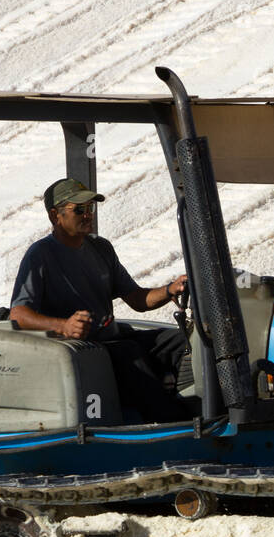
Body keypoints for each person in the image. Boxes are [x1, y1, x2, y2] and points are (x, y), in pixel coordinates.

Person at [10, 178, 193, 423]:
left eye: (90, 209)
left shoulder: (101, 248)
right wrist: (64, 326)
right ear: (56, 216)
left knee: (184, 339)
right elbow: (18, 314)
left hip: (110, 337)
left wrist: (171, 289)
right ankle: (172, 424)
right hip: (81, 348)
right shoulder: (40, 255)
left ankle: (196, 407)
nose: (88, 215)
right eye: (80, 210)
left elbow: (138, 299)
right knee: (129, 352)